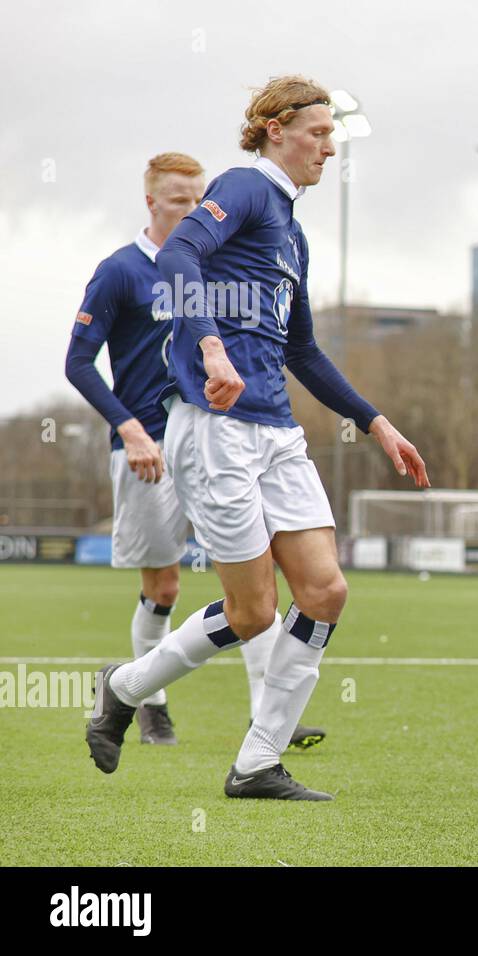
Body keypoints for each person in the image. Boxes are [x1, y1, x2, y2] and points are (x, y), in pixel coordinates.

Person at [86, 76, 430, 801]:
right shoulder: (243, 187)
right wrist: (210, 347)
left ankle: (256, 763)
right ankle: (124, 687)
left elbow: (302, 350)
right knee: (253, 613)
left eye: (334, 137)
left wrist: (376, 421)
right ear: (276, 129)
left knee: (326, 591)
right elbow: (178, 259)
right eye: (318, 133)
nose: (329, 149)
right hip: (213, 431)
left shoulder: (293, 233)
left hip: (276, 431)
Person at [65, 152, 324, 751]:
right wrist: (128, 429)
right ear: (152, 203)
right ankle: (147, 702)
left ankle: (267, 716)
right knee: (164, 588)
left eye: (197, 200)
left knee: (256, 573)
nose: (192, 211)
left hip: (218, 436)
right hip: (147, 445)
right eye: (179, 201)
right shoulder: (122, 271)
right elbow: (78, 363)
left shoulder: (218, 261)